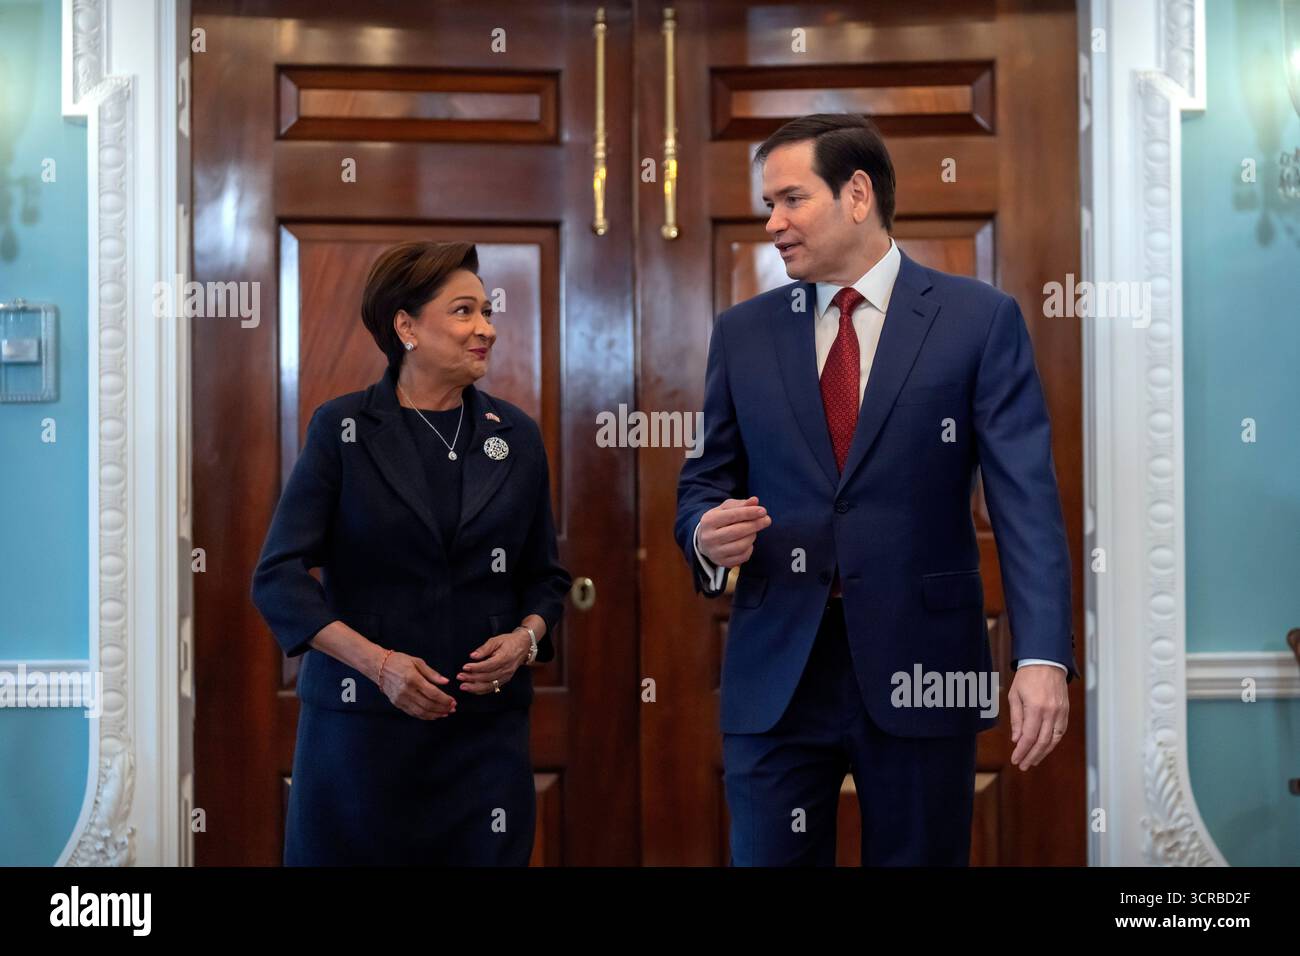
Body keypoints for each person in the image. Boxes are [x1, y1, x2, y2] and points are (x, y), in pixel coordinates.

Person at [675, 113, 1077, 866]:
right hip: (776, 675)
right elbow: (703, 483)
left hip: (927, 667)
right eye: (768, 204)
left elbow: (1026, 500)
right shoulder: (744, 333)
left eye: (791, 200)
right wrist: (704, 533)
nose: (773, 224)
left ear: (857, 194)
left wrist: (1042, 657)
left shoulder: (979, 321)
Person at [251, 239, 570, 865]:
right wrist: (379, 665)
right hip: (359, 741)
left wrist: (526, 639)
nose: (486, 329)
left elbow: (546, 578)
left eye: (486, 311)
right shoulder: (342, 429)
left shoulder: (518, 436)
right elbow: (278, 577)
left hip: (484, 746)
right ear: (406, 327)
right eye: (463, 312)